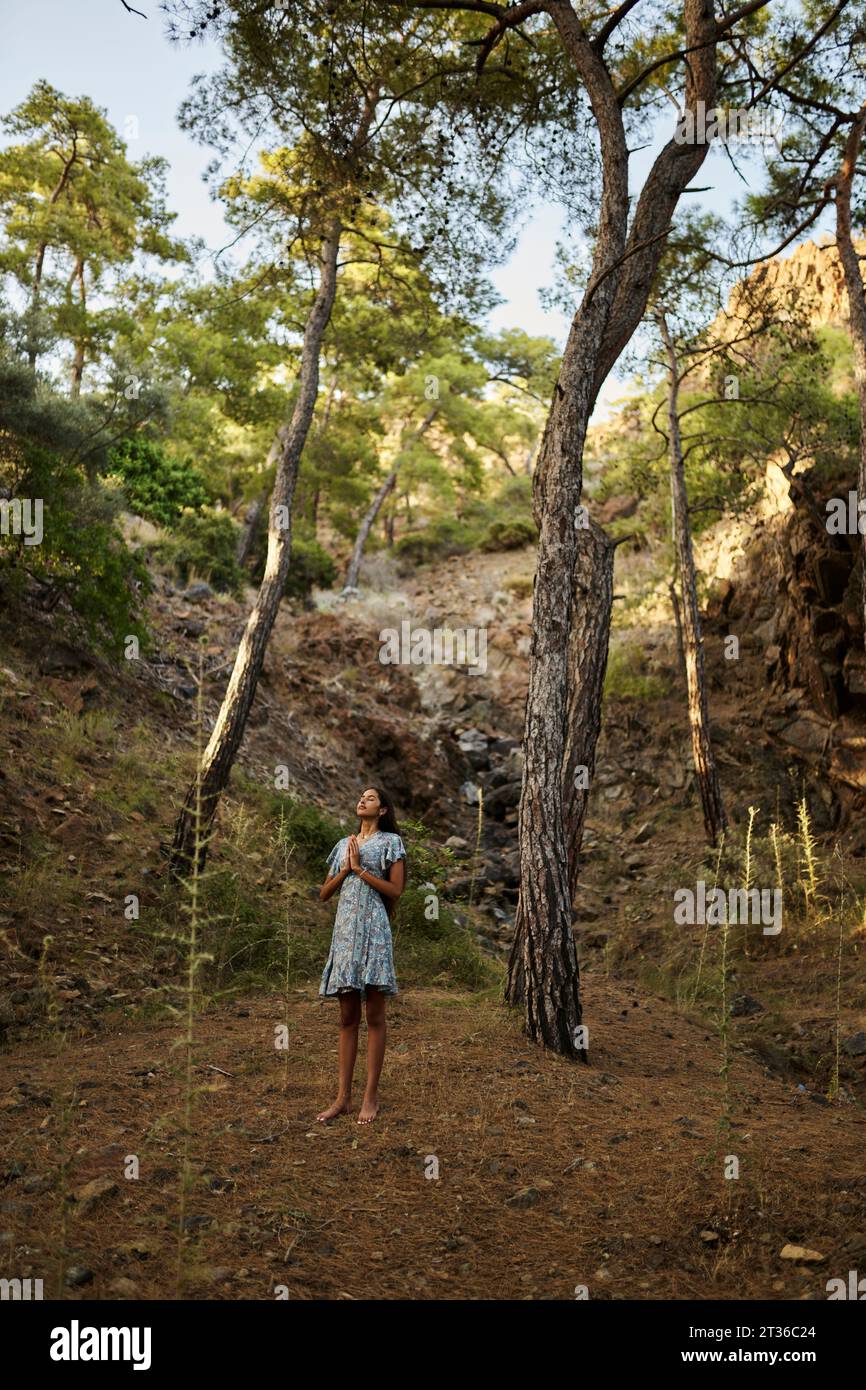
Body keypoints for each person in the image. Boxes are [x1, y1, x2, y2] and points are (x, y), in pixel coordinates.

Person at [317, 787, 406, 1125]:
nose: (362, 800)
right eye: (361, 797)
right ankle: (342, 1097)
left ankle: (371, 1094)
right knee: (347, 1017)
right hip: (344, 933)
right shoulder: (344, 844)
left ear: (382, 810)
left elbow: (396, 890)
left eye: (370, 798)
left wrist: (361, 870)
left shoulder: (391, 843)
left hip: (374, 932)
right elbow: (324, 893)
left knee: (375, 1016)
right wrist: (346, 868)